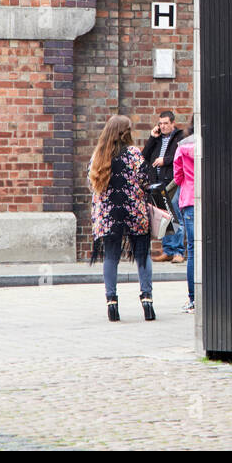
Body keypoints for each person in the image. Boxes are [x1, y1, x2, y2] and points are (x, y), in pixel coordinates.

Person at [88, 114, 156, 321]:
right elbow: (146, 181)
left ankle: (112, 304)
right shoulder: (134, 154)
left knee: (111, 257)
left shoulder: (98, 156)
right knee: (142, 255)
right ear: (127, 132)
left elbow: (92, 184)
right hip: (133, 211)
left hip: (108, 215)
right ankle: (147, 302)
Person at [143, 110, 186, 263]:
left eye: (166, 123)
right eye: (160, 124)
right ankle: (168, 250)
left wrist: (164, 160)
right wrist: (151, 137)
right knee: (164, 217)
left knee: (175, 215)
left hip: (173, 182)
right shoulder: (157, 139)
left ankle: (178, 252)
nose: (163, 127)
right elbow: (144, 156)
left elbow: (179, 156)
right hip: (158, 183)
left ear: (173, 123)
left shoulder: (179, 137)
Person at [172, 117, 197, 314]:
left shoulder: (183, 146)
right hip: (209, 198)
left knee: (192, 249)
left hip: (189, 199)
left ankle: (193, 298)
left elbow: (177, 175)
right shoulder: (211, 143)